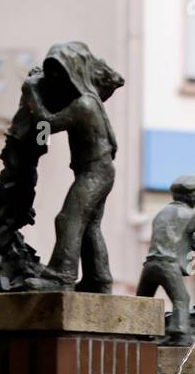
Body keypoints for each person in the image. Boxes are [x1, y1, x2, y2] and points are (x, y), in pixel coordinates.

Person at [23, 41, 124, 292]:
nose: (55, 78)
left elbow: (46, 124)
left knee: (68, 219)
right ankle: (98, 279)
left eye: (60, 71)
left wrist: (31, 92)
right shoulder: (87, 100)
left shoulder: (84, 105)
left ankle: (61, 275)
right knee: (90, 225)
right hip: (97, 171)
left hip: (95, 173)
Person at [137, 175, 195, 344]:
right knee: (182, 299)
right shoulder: (189, 214)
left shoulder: (161, 213)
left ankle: (140, 331)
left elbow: (172, 235)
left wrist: (189, 239)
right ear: (193, 195)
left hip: (149, 265)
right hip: (167, 265)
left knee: (143, 300)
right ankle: (179, 335)